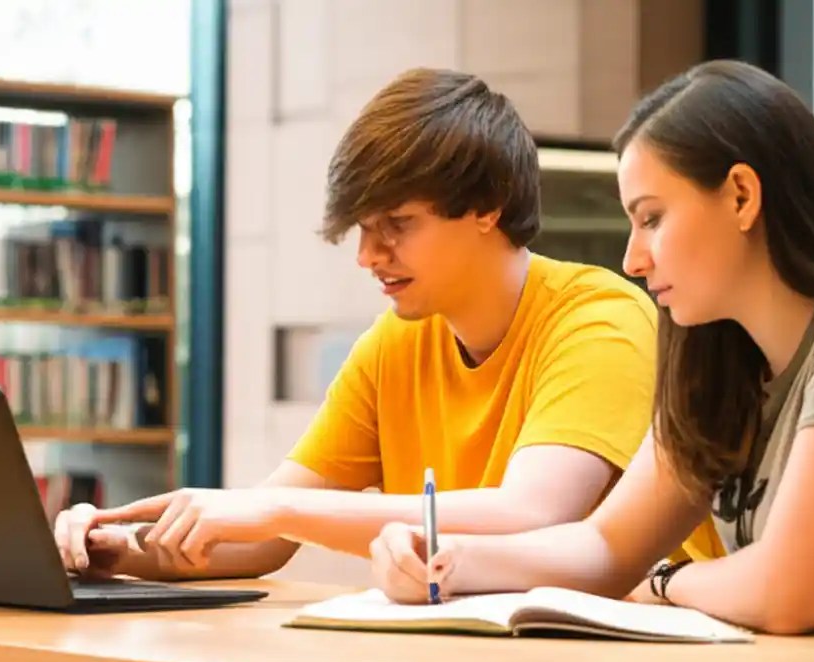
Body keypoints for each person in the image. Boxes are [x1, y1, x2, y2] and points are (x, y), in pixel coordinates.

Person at [53, 67, 673, 582]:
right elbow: (262, 540)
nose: (368, 256)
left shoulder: (599, 318)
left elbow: (532, 512)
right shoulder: (395, 342)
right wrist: (114, 547)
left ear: (489, 206)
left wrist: (272, 509)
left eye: (397, 225)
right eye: (363, 229)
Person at [369, 59, 814, 635]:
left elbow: (789, 591)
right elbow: (606, 546)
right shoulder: (722, 363)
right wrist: (448, 559)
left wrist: (663, 582)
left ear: (742, 196)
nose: (633, 260)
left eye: (652, 217)